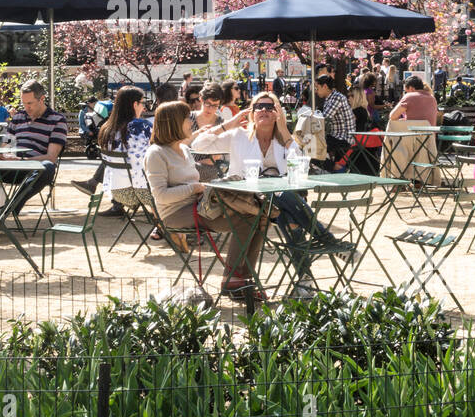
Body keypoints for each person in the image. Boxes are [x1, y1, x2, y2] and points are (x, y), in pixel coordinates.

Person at [192, 91, 351, 296]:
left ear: (278, 113)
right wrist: (228, 124)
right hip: (246, 199)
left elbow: (301, 164)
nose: (264, 110)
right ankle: (329, 242)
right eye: (259, 106)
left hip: (277, 203)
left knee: (286, 214)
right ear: (251, 112)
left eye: (270, 107)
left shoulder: (283, 138)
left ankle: (305, 282)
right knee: (284, 200)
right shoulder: (239, 135)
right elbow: (197, 145)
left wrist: (284, 131)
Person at [143, 101, 268, 304]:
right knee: (246, 217)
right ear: (174, 123)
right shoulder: (156, 153)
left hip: (200, 205)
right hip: (176, 213)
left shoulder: (183, 149)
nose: (190, 122)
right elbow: (161, 196)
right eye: (185, 118)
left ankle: (244, 277)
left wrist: (201, 189)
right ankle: (234, 278)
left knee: (261, 214)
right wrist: (195, 188)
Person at [0, 80, 66, 220]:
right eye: (24, 103)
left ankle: (6, 211)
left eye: (30, 103)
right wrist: (0, 154)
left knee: (48, 167)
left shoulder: (57, 120)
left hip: (32, 170)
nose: (26, 107)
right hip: (10, 166)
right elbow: (6, 144)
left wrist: (22, 160)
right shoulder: (18, 117)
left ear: (42, 99)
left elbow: (51, 157)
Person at [70, 86, 150, 217]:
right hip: (142, 193)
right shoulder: (142, 127)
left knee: (119, 158)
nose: (144, 107)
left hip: (117, 192)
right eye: (143, 103)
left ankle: (94, 184)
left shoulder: (107, 128)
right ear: (135, 104)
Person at [314, 74, 355, 167]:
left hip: (344, 138)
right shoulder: (330, 97)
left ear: (324, 86)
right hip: (336, 136)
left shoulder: (337, 97)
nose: (316, 91)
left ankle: (334, 168)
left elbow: (324, 118)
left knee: (311, 149)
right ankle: (333, 167)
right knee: (310, 147)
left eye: (317, 88)